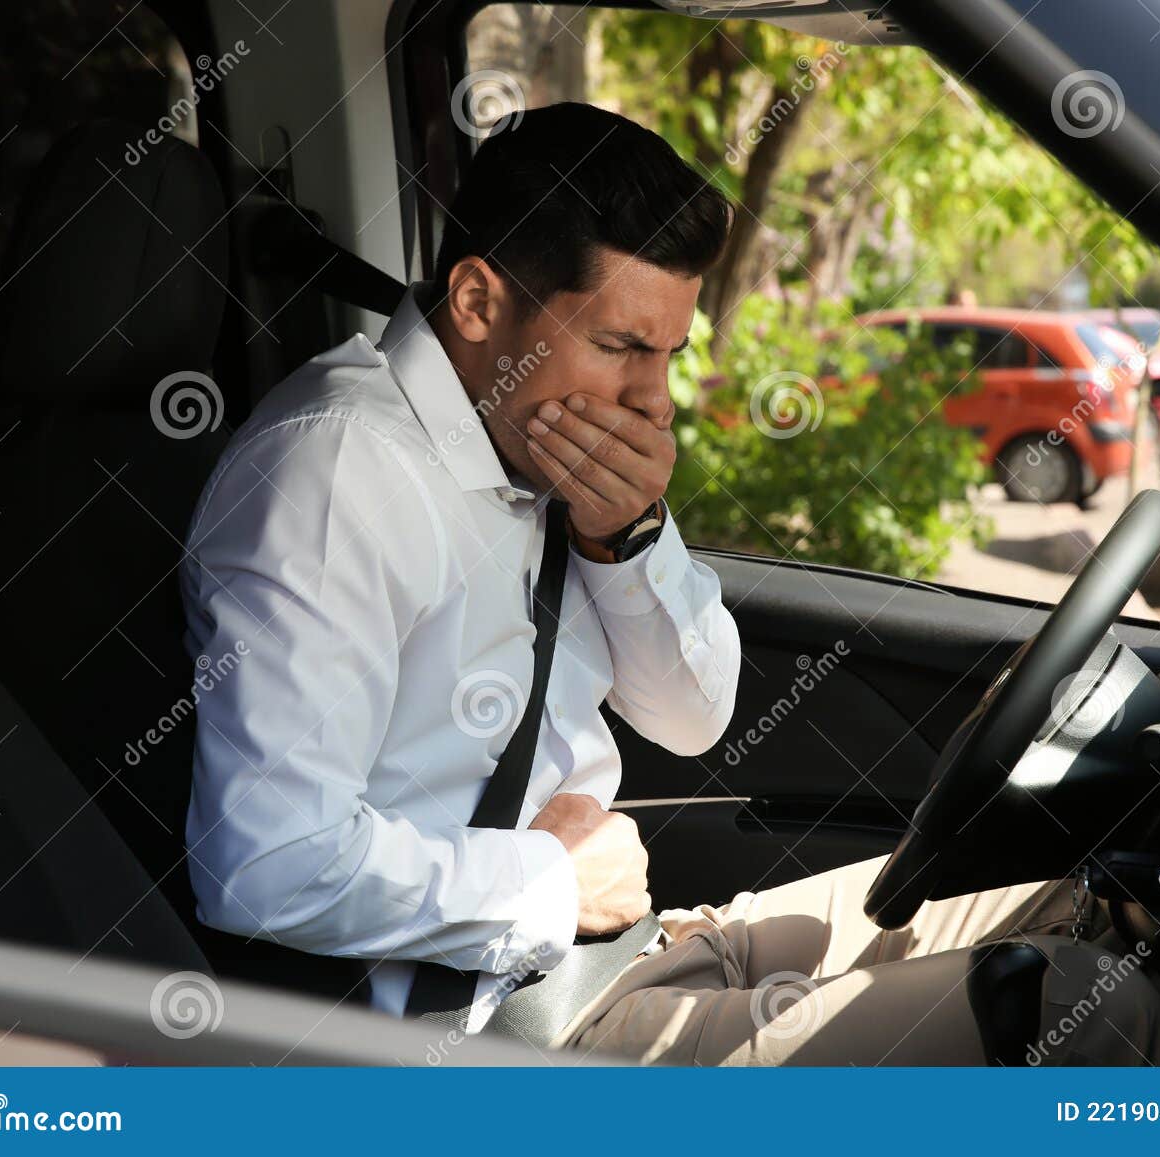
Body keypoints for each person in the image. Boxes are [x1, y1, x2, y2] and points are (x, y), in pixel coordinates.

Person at [181, 102, 1103, 1066]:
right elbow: (266, 862)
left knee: (1081, 903)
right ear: (479, 304)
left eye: (670, 354)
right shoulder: (338, 474)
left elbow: (694, 717)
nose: (655, 400)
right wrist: (550, 882)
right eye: (621, 347)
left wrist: (624, 535)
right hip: (513, 1031)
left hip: (638, 949)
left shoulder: (543, 444)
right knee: (1083, 1006)